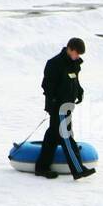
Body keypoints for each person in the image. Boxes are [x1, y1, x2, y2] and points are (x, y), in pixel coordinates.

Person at [35, 37, 94, 180]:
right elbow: (47, 86)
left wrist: (79, 91)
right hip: (58, 107)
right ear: (70, 49)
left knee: (53, 136)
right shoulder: (54, 63)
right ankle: (78, 169)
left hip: (68, 106)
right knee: (66, 137)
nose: (78, 56)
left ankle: (42, 167)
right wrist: (54, 103)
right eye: (77, 53)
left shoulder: (73, 64)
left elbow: (74, 80)